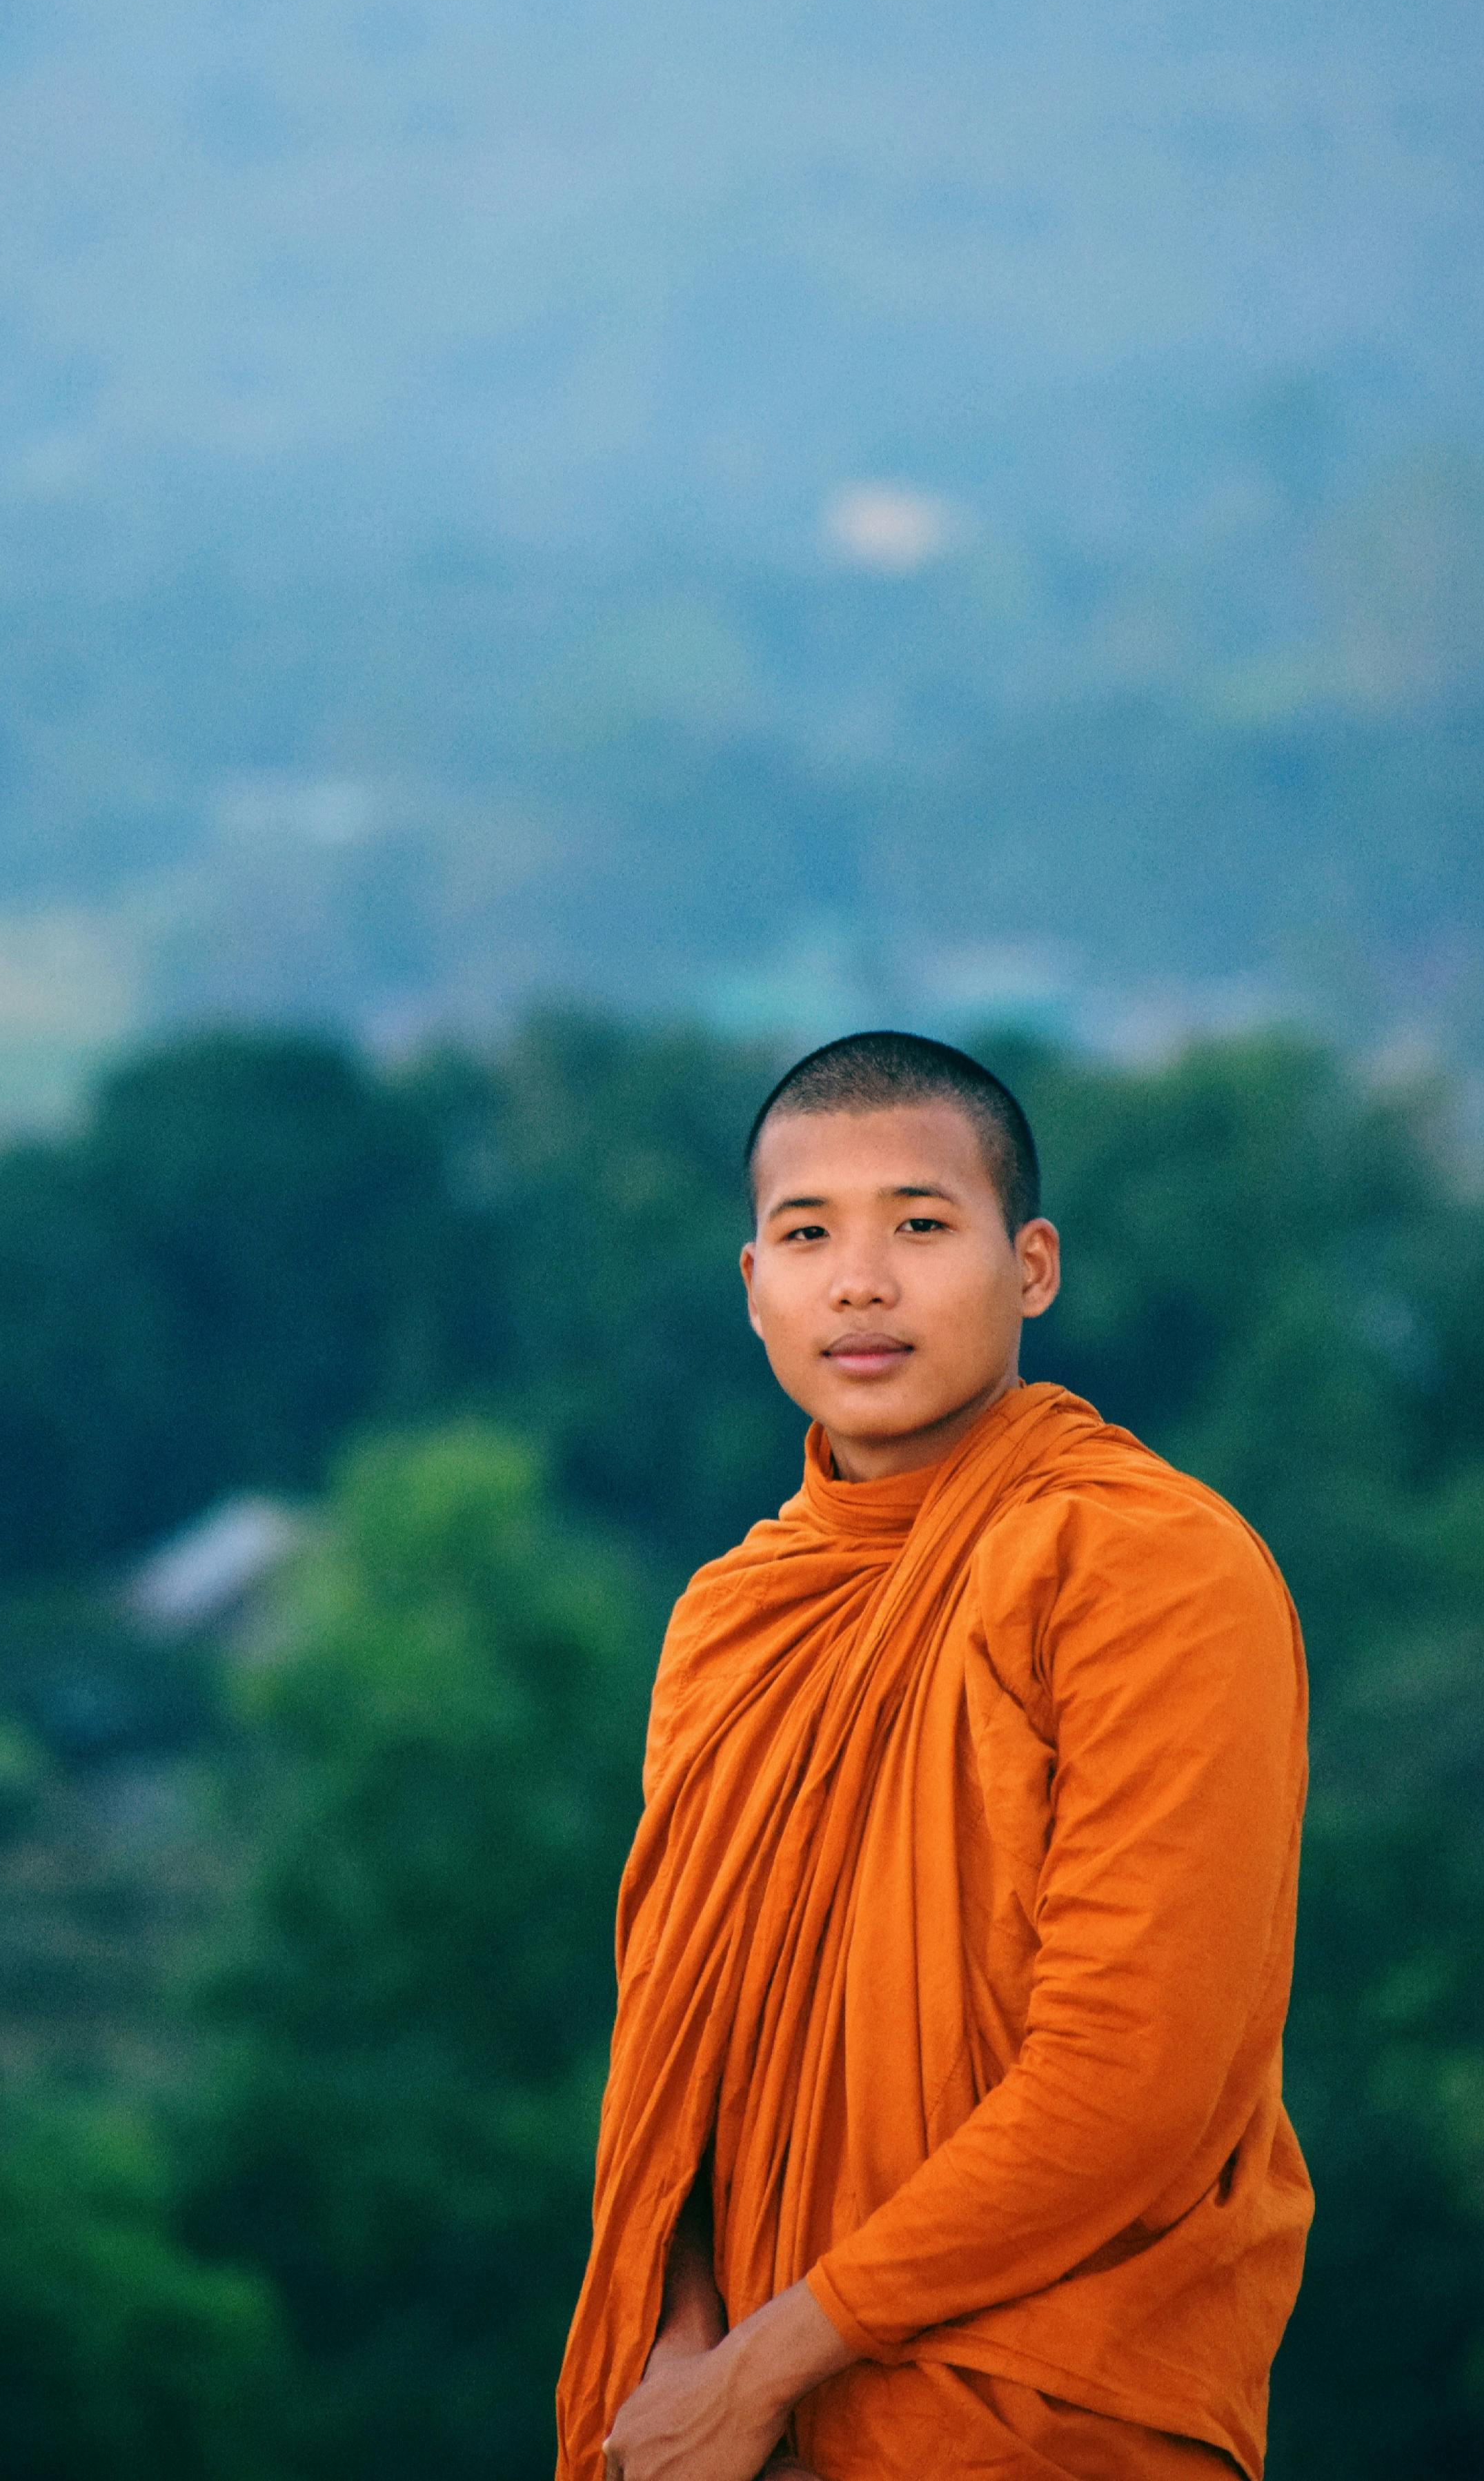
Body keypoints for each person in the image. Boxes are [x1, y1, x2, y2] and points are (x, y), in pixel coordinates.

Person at [556, 1031, 1312, 2481]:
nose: (860, 1281)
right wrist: (693, 2367)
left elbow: (1128, 2087)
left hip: (1039, 2420)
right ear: (753, 1288)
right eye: (807, 1235)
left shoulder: (1145, 1566)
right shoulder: (734, 1615)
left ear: (1029, 1267)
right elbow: (686, 2061)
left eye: (918, 1225)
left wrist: (775, 2359)